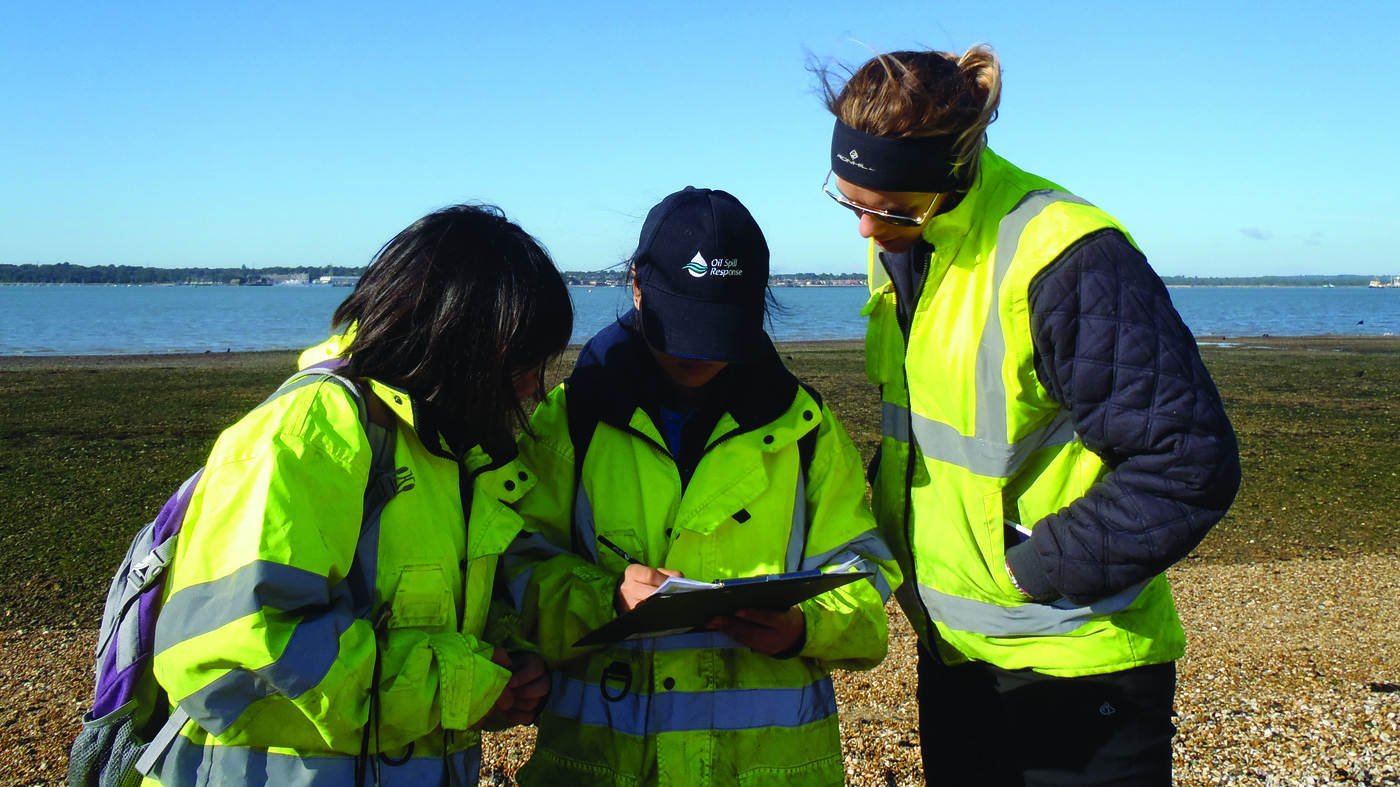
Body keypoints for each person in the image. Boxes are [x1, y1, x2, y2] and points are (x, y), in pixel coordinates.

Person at [816, 46, 1241, 785]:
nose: (863, 228)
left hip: (1077, 666)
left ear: (949, 177)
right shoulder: (900, 243)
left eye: (883, 208)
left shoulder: (1069, 258)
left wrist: (1027, 570)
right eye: (849, 201)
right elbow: (928, 439)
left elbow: (1189, 462)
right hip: (957, 654)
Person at [141, 204, 572, 786]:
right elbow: (236, 656)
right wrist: (462, 686)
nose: (533, 386)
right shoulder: (309, 432)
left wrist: (507, 661)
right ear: (457, 339)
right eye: (521, 362)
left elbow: (435, 609)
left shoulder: (443, 448)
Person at [504, 187, 902, 786]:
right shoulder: (569, 421)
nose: (696, 352)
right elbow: (509, 569)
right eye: (682, 324)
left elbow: (869, 582)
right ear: (636, 285)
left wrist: (805, 627)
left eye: (718, 331)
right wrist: (603, 595)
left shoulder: (806, 430)